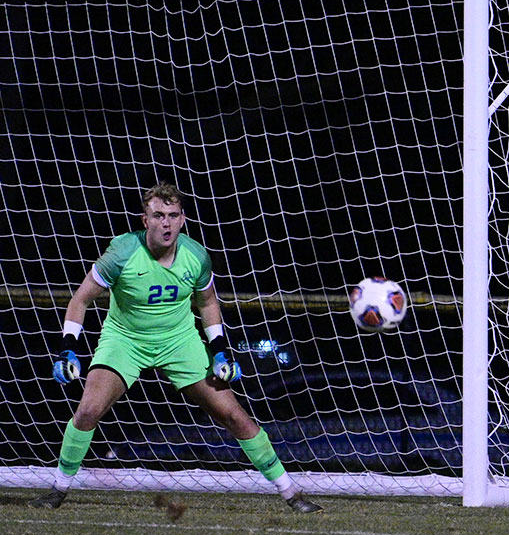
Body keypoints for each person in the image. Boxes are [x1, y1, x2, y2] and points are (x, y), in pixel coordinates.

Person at [31, 182, 321, 513]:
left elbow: (208, 302)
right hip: (125, 340)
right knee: (87, 411)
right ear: (145, 220)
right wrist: (68, 348)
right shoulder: (122, 252)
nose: (166, 223)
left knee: (234, 415)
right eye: (158, 215)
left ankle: (292, 495)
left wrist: (221, 350)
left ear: (182, 219)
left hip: (179, 341)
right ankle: (58, 489)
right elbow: (80, 299)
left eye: (172, 215)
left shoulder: (196, 256)